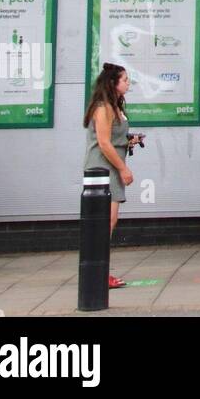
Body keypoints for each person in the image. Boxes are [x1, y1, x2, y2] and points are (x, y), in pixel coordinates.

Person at [82, 62, 144, 289]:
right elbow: (104, 143)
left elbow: (114, 139)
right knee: (104, 222)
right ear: (112, 83)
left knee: (109, 221)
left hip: (112, 168)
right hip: (103, 169)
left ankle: (100, 271)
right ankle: (98, 273)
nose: (128, 83)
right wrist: (123, 168)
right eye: (125, 80)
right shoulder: (103, 108)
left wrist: (129, 140)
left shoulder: (115, 106)